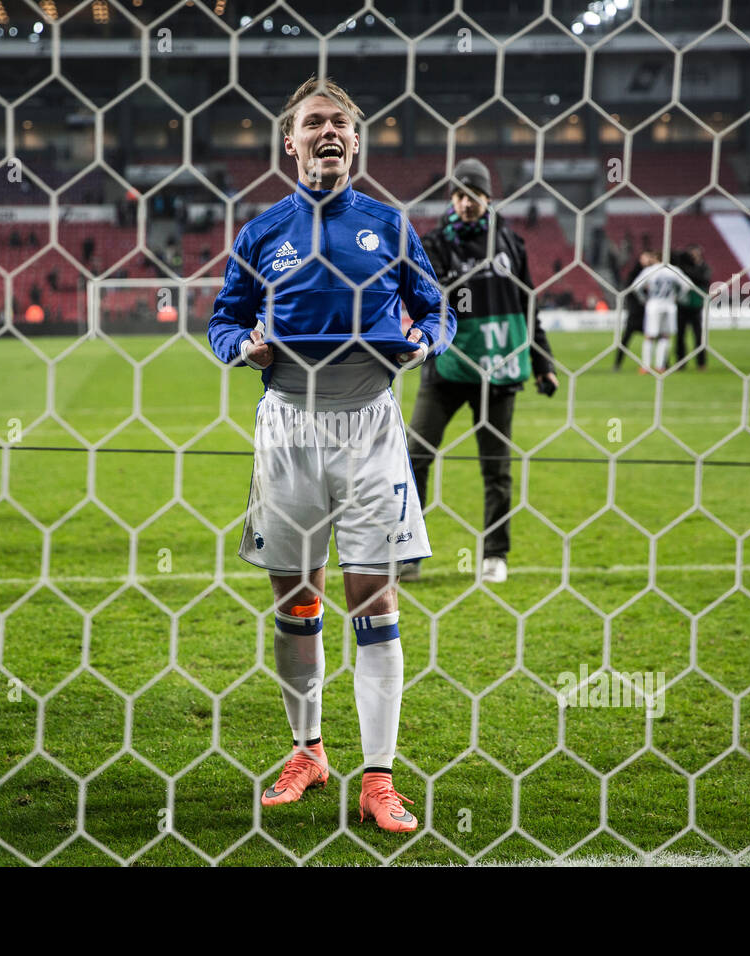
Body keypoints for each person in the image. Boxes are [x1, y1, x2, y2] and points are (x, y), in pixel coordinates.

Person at [207, 77, 455, 833]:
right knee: (298, 603)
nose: (329, 133)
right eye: (314, 122)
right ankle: (308, 749)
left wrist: (423, 339)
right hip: (288, 425)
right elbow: (223, 321)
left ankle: (377, 777)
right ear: (290, 141)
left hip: (369, 424)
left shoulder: (390, 224)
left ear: (356, 141)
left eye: (341, 124)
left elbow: (436, 309)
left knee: (375, 605)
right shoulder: (259, 234)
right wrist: (242, 346)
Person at [403, 157, 557, 585]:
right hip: (446, 371)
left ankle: (494, 554)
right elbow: (420, 302)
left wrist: (544, 364)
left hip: (500, 370)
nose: (464, 202)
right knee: (415, 456)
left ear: (488, 197)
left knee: (496, 466)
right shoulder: (434, 245)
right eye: (457, 195)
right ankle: (409, 554)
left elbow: (528, 307)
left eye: (472, 194)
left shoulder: (511, 244)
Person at [634, 252, 695, 374]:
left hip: (654, 305)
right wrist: (678, 297)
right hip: (669, 305)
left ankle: (646, 366)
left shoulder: (650, 270)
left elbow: (636, 287)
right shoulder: (673, 270)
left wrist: (643, 299)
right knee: (665, 336)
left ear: (656, 258)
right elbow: (688, 285)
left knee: (649, 336)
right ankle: (660, 366)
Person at [614, 251, 654, 370]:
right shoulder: (634, 274)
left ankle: (662, 364)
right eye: (645, 257)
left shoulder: (654, 273)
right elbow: (630, 290)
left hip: (649, 313)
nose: (647, 260)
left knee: (654, 336)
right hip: (635, 312)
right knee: (625, 339)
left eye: (649, 257)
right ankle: (617, 364)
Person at [673, 244, 710, 370]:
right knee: (680, 335)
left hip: (696, 304)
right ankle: (680, 362)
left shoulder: (703, 267)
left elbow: (705, 279)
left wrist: (685, 271)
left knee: (698, 335)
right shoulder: (681, 267)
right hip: (683, 304)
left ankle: (701, 363)